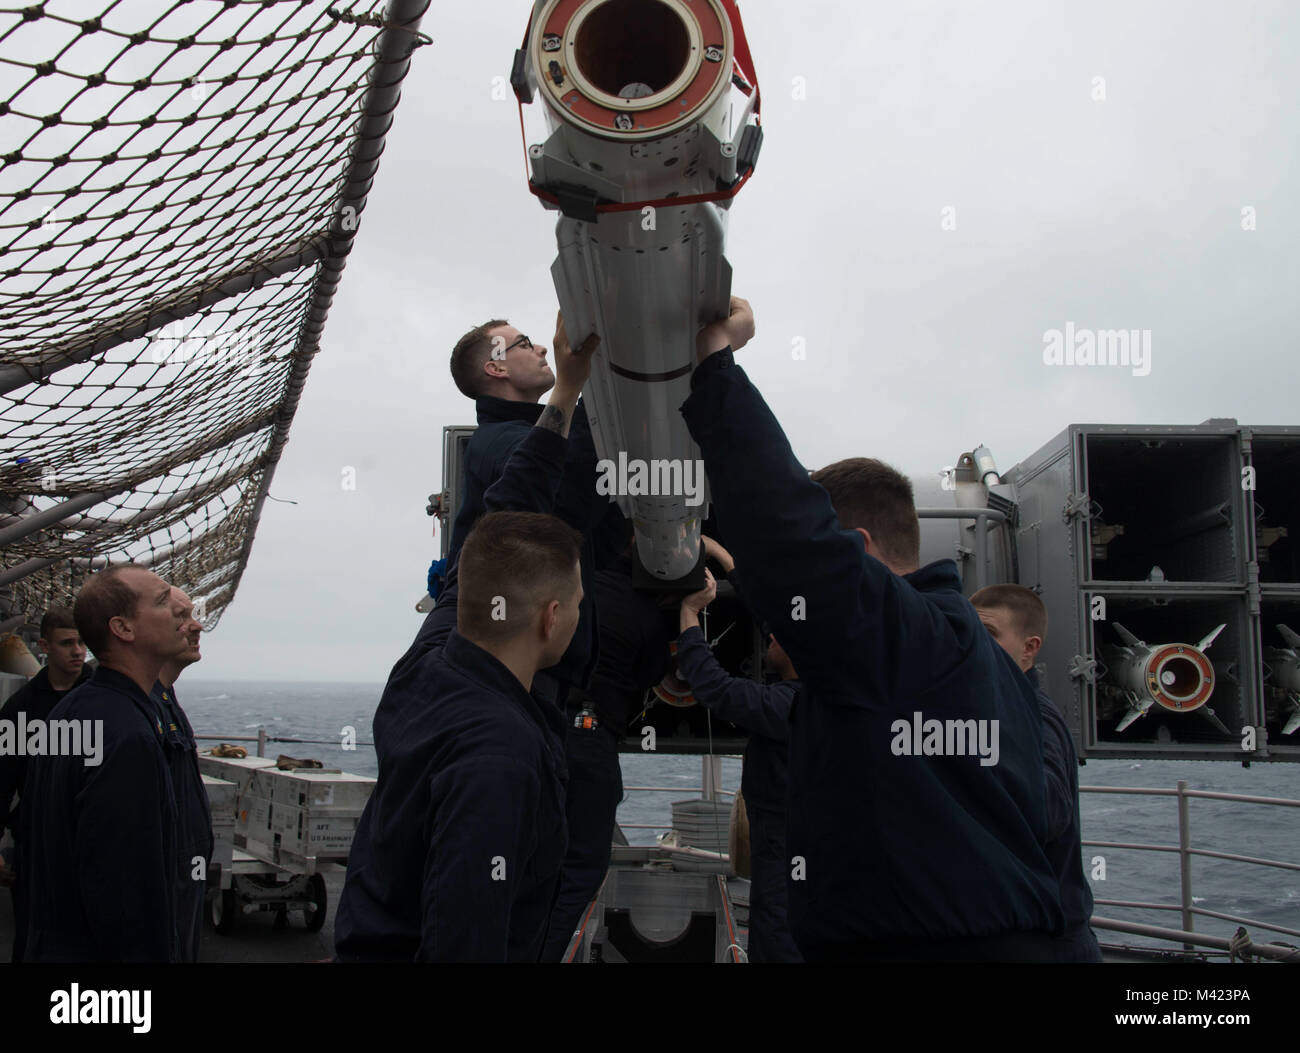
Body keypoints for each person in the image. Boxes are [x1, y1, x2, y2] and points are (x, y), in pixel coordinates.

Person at [678, 297, 1065, 961]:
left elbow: (785, 530)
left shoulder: (907, 646)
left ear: (854, 552)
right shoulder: (984, 671)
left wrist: (715, 357)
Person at [335, 319, 598, 962]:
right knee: (580, 844)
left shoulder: (428, 674)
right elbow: (517, 499)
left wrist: (572, 392)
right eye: (523, 341)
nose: (537, 345)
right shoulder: (496, 750)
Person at [21, 565, 188, 961]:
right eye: (164, 601)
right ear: (123, 628)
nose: (181, 612)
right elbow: (126, 897)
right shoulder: (129, 738)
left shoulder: (70, 711)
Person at [539, 524, 674, 962]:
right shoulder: (649, 612)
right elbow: (653, 676)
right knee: (581, 869)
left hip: (549, 729)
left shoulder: (585, 587)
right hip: (594, 738)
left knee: (539, 863)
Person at [676, 542, 803, 962]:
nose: (769, 632)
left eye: (777, 634)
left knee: (777, 927)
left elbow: (716, 689)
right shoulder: (817, 689)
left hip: (785, 841)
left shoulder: (790, 707)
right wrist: (723, 558)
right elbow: (775, 619)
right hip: (787, 833)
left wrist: (690, 616)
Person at [971, 583, 1102, 962]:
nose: (973, 644)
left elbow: (1047, 812)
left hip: (1047, 945)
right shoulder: (991, 711)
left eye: (990, 635)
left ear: (1029, 649)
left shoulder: (1037, 720)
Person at [0, 608, 91, 962]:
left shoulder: (104, 702)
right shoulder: (20, 710)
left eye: (82, 642)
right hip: (36, 846)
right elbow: (2, 781)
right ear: (43, 646)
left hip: (90, 844)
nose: (78, 651)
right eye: (67, 643)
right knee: (31, 939)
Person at [149, 588, 214, 964]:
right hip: (163, 890)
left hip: (183, 884)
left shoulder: (166, 701)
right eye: (181, 616)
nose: (196, 625)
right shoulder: (135, 713)